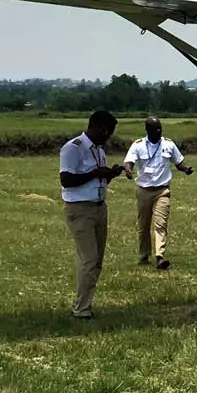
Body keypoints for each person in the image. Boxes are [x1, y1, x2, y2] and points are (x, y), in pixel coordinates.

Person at [58, 110, 125, 319]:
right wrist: (96, 173)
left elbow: (97, 179)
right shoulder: (73, 148)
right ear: (96, 127)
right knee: (90, 258)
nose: (108, 137)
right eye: (106, 132)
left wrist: (109, 175)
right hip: (80, 209)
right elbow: (66, 180)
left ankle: (85, 302)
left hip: (99, 207)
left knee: (96, 261)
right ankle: (82, 309)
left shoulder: (99, 150)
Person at [124, 115, 194, 269]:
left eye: (160, 128)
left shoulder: (168, 144)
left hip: (162, 191)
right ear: (147, 130)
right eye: (155, 129)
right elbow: (129, 161)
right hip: (144, 190)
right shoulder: (138, 145)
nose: (158, 131)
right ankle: (144, 254)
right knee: (144, 225)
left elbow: (178, 162)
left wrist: (186, 169)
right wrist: (128, 170)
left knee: (160, 224)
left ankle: (159, 256)